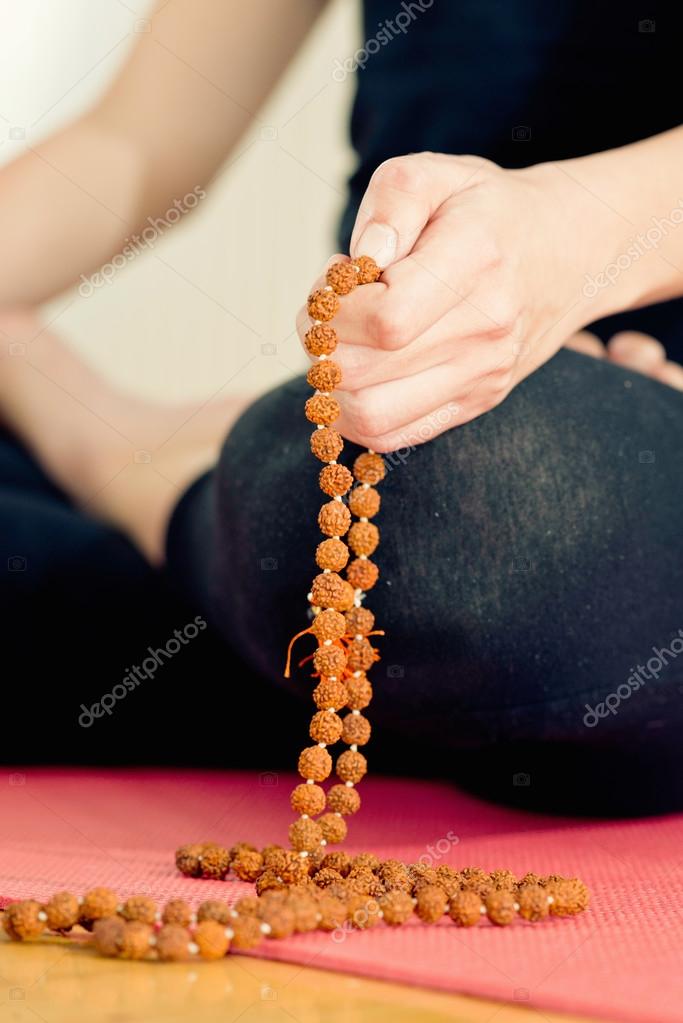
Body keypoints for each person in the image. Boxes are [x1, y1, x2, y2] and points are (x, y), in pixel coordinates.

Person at [1, 0, 681, 817]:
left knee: (487, 508)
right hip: (354, 475)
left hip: (558, 489)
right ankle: (250, 563)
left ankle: (120, 454)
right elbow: (136, 143)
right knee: (392, 521)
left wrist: (581, 238)